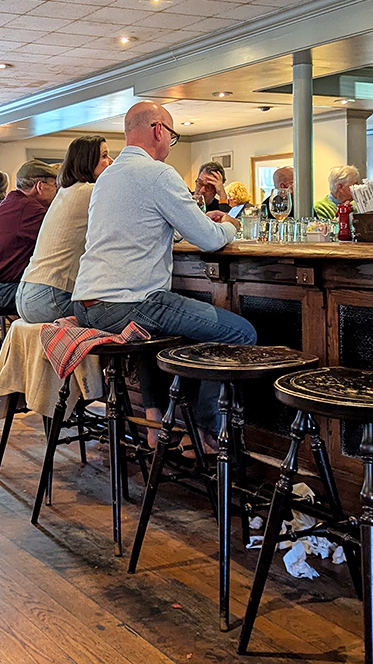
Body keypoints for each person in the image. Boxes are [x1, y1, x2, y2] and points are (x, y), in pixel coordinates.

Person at [72, 100, 256, 452]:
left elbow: (143, 227)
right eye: (171, 134)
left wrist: (190, 226)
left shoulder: (107, 177)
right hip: (128, 303)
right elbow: (209, 240)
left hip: (87, 305)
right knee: (241, 332)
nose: (169, 142)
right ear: (159, 130)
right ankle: (206, 433)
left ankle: (163, 423)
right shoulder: (158, 174)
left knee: (178, 334)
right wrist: (230, 224)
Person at [16, 136, 113, 323]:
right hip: (50, 296)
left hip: (26, 294)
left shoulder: (66, 191)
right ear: (87, 161)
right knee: (117, 314)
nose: (110, 161)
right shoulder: (89, 191)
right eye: (104, 156)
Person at [0, 160, 58, 312]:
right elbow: (58, 238)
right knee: (61, 296)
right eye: (55, 186)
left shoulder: (13, 202)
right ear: (40, 186)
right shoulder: (29, 209)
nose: (58, 192)